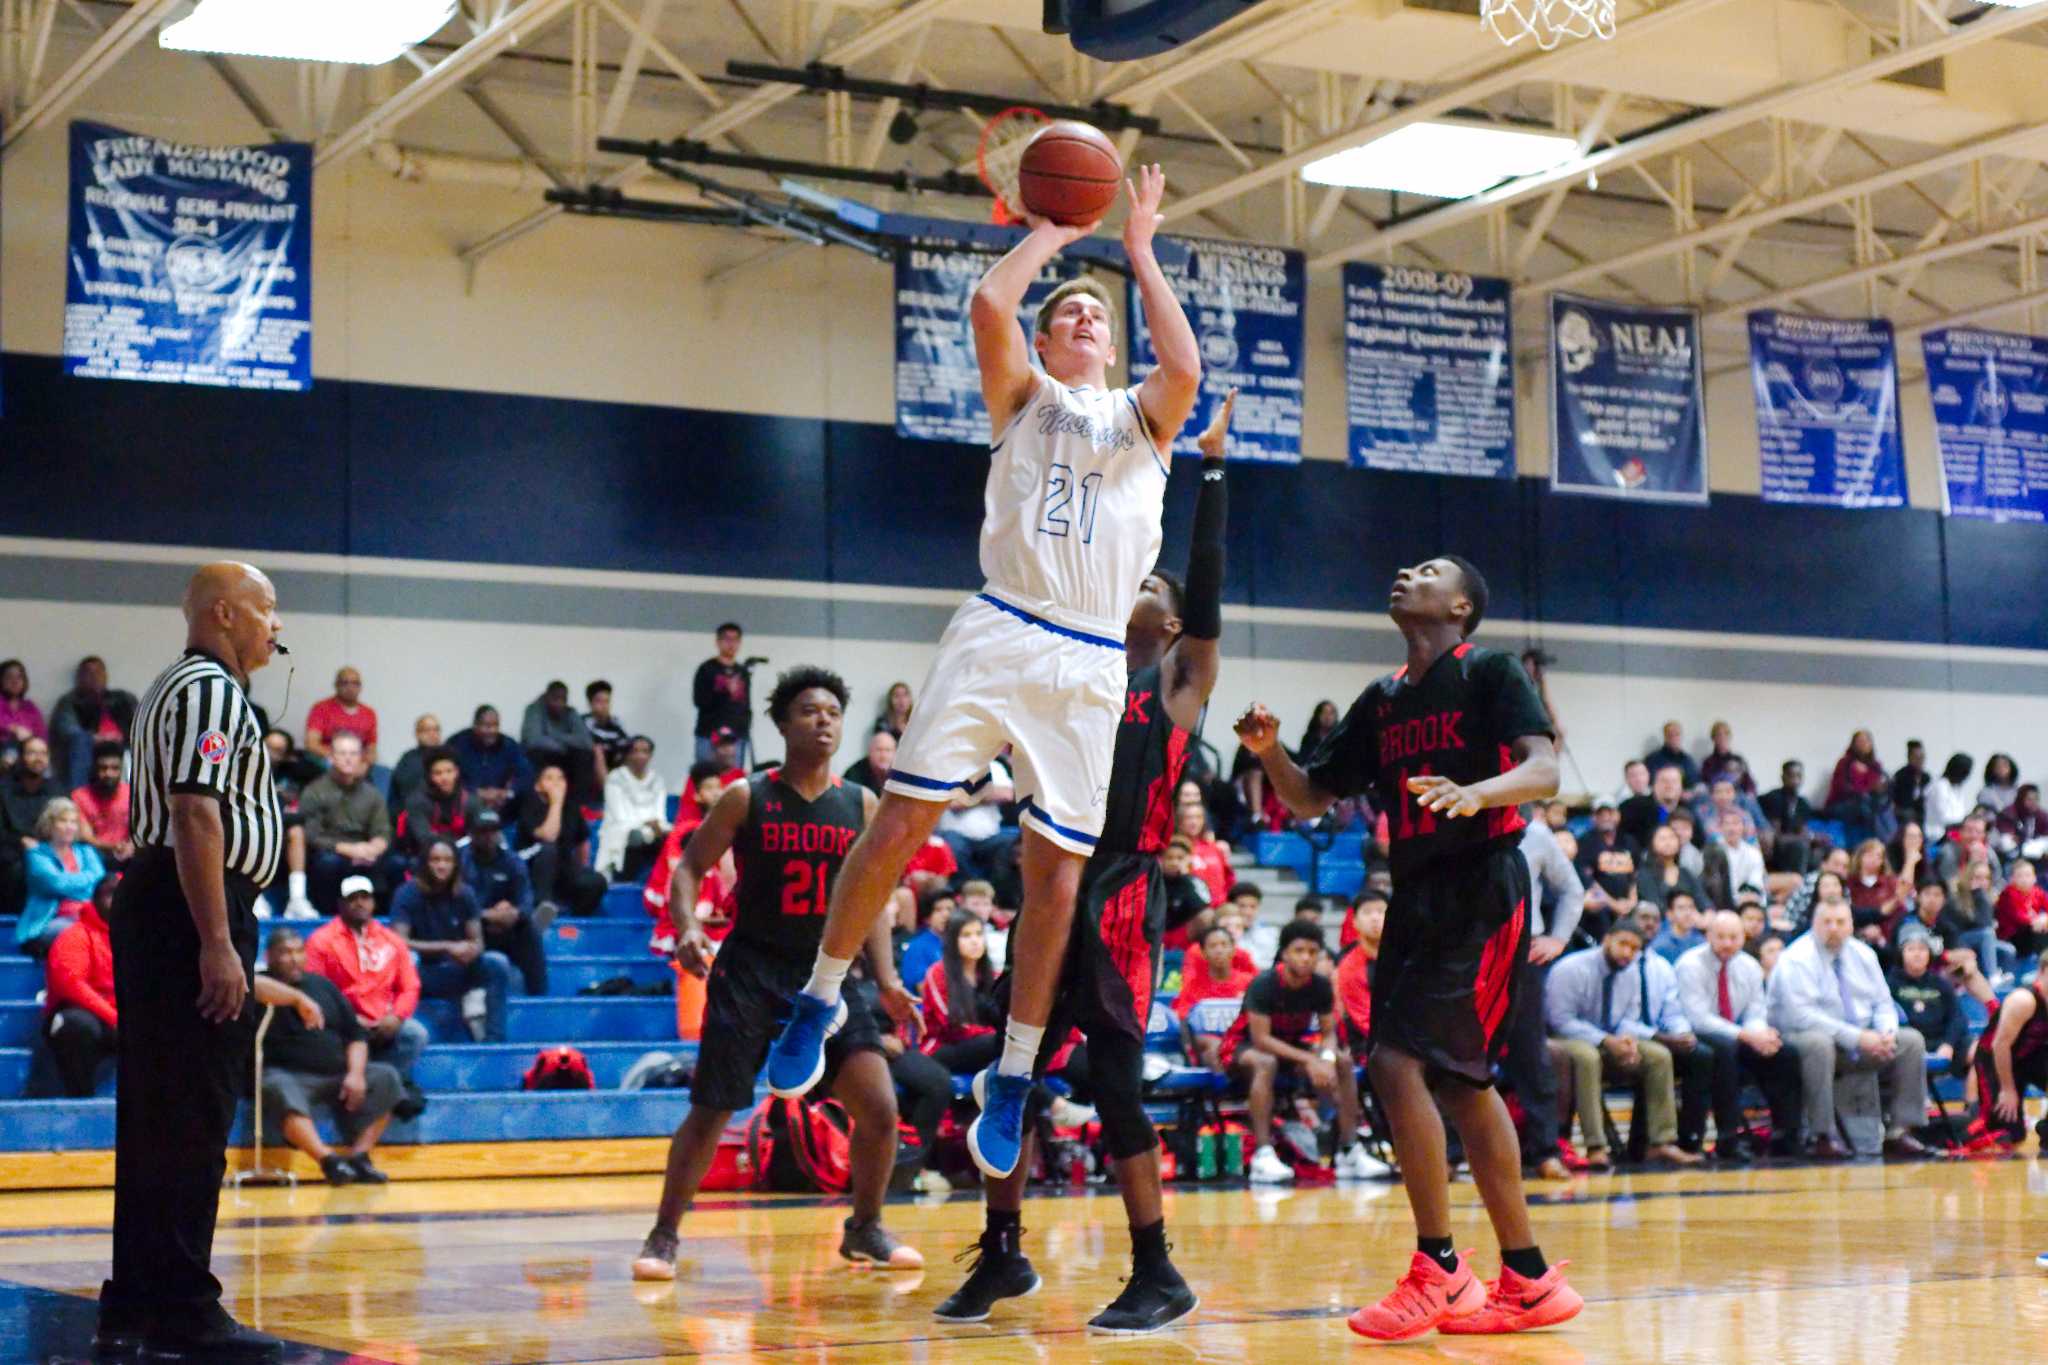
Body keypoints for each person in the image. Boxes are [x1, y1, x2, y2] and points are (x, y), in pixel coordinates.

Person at [765, 166, 1202, 1184]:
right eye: (1070, 314)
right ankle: (820, 995)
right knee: (896, 825)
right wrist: (1053, 231)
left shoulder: (1144, 421)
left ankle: (1010, 1073)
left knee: (1053, 878)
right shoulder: (1021, 397)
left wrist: (1136, 248)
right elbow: (986, 301)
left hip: (1091, 657)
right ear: (1049, 344)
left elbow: (1180, 363)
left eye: (1098, 313)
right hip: (1000, 629)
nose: (1085, 316)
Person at [1233, 554, 1580, 1339]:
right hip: (1417, 897)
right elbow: (1311, 795)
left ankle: (1441, 1269)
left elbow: (1546, 767)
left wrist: (1477, 794)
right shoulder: (1383, 700)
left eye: (1425, 570)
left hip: (1484, 884)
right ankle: (1525, 1278)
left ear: (1459, 604)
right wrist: (1269, 754)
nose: (1401, 572)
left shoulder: (1488, 671)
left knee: (1394, 1063)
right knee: (1457, 1083)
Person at [938, 414, 1230, 1332]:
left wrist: (1210, 474)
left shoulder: (1174, 686)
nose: (1130, 585)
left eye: (1148, 582)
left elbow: (1211, 599)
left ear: (1173, 623)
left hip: (1121, 894)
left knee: (1114, 1081)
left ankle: (1157, 1270)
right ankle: (1002, 1253)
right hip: (1052, 885)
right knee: (1004, 1075)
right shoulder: (1075, 670)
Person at [629, 665, 922, 1276]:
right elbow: (688, 869)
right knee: (713, 1107)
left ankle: (864, 1227)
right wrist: (685, 927)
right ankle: (663, 1236)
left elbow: (870, 900)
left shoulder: (861, 803)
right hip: (752, 969)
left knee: (879, 1107)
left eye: (833, 714)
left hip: (830, 973)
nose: (824, 721)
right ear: (783, 724)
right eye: (810, 712)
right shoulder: (747, 795)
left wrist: (889, 980)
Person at [98, 562, 286, 1360]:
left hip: (162, 899)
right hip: (190, 905)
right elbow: (195, 812)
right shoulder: (209, 689)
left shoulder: (171, 685)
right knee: (193, 1106)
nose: (277, 627)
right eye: (267, 609)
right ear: (225, 611)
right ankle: (182, 1302)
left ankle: (136, 1297)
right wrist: (216, 938)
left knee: (156, 1106)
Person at [1765, 898, 1932, 1159]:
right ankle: (1822, 1135)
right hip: (1800, 1042)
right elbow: (1802, 1016)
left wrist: (1886, 1033)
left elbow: (1883, 1003)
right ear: (1814, 925)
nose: (1834, 928)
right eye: (1827, 922)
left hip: (1861, 1041)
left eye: (1841, 922)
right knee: (1817, 1043)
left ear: (1851, 924)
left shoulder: (1863, 954)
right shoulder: (1795, 959)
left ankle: (1899, 1131)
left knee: (1910, 1041)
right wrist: (1857, 1038)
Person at [1212, 921, 1372, 1188]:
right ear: (1285, 954)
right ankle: (1263, 1155)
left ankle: (1349, 1151)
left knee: (1343, 1060)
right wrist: (1311, 1060)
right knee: (1266, 1062)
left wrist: (1327, 1060)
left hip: (1289, 1048)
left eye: (1313, 951)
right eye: (1299, 950)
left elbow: (1329, 1034)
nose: (1306, 957)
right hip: (1242, 1048)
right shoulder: (1264, 984)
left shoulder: (1320, 986)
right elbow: (1261, 1040)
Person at [1546, 922, 1705, 1169]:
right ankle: (1595, 1146)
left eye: (1634, 948)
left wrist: (1628, 1042)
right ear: (1607, 939)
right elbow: (1560, 1020)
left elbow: (1627, 1018)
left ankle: (1660, 1142)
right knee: (1588, 1058)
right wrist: (1606, 1040)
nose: (1628, 952)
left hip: (1609, 1038)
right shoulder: (1571, 969)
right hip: (1566, 1039)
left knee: (1658, 1055)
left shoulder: (1630, 971)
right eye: (1623, 944)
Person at [253, 928, 403, 1185]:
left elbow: (356, 1036)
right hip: (290, 1075)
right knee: (277, 1086)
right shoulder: (261, 984)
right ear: (269, 956)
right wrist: (296, 999)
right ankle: (328, 1161)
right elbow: (252, 983)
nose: (294, 958)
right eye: (285, 952)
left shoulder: (323, 985)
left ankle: (359, 1157)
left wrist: (355, 1075)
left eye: (299, 951)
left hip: (338, 1074)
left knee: (387, 1077)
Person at [1674, 911, 1803, 1160]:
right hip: (1696, 1037)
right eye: (1720, 937)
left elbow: (1756, 1011)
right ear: (1709, 936)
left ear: (1743, 938)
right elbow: (1697, 1018)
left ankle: (1786, 1136)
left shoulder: (1749, 966)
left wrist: (1761, 1034)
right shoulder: (1689, 964)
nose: (1727, 943)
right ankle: (1728, 1139)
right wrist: (1747, 1035)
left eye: (1733, 937)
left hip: (1737, 1035)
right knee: (1725, 1049)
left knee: (1785, 1052)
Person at [304, 876, 430, 1095]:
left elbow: (410, 986)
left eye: (365, 897)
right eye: (352, 898)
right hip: (342, 1023)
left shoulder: (392, 940)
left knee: (415, 1034)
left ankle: (385, 1088)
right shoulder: (321, 940)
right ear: (341, 904)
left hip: (383, 1021)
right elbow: (315, 989)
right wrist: (346, 1018)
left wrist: (397, 1016)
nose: (359, 903)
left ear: (373, 902)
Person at [1507, 812, 1582, 1178]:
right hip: (1468, 952)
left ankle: (1545, 1151)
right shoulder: (1460, 823)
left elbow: (1571, 888)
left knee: (1532, 1054)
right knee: (1462, 1055)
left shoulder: (1535, 834)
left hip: (1523, 951)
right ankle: (1455, 1152)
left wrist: (1559, 938)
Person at [391, 838, 515, 1042]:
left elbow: (478, 941)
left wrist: (471, 951)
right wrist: (447, 947)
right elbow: (398, 942)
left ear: (456, 864)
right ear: (425, 863)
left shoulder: (465, 894)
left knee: (497, 963)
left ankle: (494, 1040)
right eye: (435, 860)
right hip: (422, 972)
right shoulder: (407, 893)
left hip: (457, 969)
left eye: (447, 860)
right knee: (405, 962)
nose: (442, 865)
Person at [297, 732, 394, 915]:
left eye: (353, 754)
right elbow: (311, 835)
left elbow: (383, 831)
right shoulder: (315, 791)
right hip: (331, 852)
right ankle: (327, 917)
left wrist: (372, 848)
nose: (348, 759)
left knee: (395, 864)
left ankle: (382, 921)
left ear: (361, 758)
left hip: (365, 852)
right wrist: (350, 850)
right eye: (342, 753)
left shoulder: (372, 793)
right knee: (327, 863)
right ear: (331, 757)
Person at [43, 875, 119, 1097]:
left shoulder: (141, 939)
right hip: (86, 1015)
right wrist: (115, 1018)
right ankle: (79, 1098)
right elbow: (71, 985)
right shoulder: (75, 935)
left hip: (122, 1019)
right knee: (76, 1025)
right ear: (96, 899)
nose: (117, 900)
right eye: (111, 894)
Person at [461, 810, 551, 995]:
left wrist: (514, 914)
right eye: (483, 831)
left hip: (506, 928)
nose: (489, 837)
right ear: (471, 834)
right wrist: (488, 915)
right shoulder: (460, 862)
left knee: (529, 930)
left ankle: (539, 996)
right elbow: (456, 906)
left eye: (493, 831)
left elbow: (526, 903)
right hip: (472, 931)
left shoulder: (512, 861)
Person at [19, 798, 107, 958]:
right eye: (63, 821)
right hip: (49, 922)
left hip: (87, 917)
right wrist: (85, 885)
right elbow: (57, 884)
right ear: (50, 824)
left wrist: (70, 884)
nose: (69, 827)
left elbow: (100, 881)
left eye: (73, 822)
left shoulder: (86, 851)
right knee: (82, 931)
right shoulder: (37, 854)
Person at [516, 761, 607, 917]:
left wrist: (580, 870)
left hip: (562, 869)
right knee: (548, 849)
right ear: (538, 786)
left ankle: (576, 918)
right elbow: (549, 835)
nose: (556, 783)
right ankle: (542, 907)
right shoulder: (529, 805)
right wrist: (556, 803)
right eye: (549, 778)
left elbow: (582, 843)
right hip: (531, 868)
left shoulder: (572, 808)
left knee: (596, 881)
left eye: (560, 779)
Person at [1970, 970, 2048, 1147]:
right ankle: (1972, 1115)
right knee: (2008, 1135)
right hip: (1996, 1059)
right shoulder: (2024, 1000)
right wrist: (2007, 1089)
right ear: (2042, 973)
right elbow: (2000, 1045)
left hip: (2030, 1057)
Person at [1887, 924, 1973, 1079]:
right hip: (1908, 1044)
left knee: (1978, 1051)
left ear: (1929, 954)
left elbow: (1957, 1017)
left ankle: (1973, 1101)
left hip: (1941, 1042)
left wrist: (1948, 1044)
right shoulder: (1890, 984)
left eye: (1922, 949)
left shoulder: (1941, 983)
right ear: (1901, 953)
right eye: (1911, 949)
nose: (1917, 954)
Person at [49, 656, 138, 793]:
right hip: (89, 748)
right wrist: (94, 738)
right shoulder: (70, 701)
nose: (94, 677)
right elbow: (66, 728)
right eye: (88, 673)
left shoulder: (123, 698)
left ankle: (136, 800)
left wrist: (121, 737)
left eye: (98, 672)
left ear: (105, 675)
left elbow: (140, 726)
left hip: (122, 746)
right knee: (80, 742)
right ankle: (78, 797)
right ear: (79, 678)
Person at [936, 751, 1017, 884]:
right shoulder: (947, 768)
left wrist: (968, 798)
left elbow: (1007, 794)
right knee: (952, 845)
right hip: (953, 835)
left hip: (991, 836)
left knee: (1013, 841)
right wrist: (986, 794)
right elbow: (951, 804)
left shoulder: (994, 766)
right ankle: (964, 889)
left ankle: (999, 894)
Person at [597, 735, 669, 882]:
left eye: (645, 751)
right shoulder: (615, 778)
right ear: (628, 754)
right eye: (635, 751)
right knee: (635, 835)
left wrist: (656, 825)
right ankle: (624, 882)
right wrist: (646, 823)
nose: (640, 755)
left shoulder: (657, 780)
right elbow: (620, 815)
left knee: (673, 837)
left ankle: (661, 883)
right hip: (621, 828)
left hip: (651, 828)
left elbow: (659, 814)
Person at [521, 680, 603, 800]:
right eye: (555, 698)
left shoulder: (570, 712)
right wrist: (563, 745)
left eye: (563, 699)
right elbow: (533, 740)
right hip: (543, 755)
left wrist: (556, 736)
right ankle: (538, 801)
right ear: (546, 697)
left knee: (585, 755)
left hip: (564, 754)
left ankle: (579, 803)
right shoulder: (534, 710)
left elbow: (586, 742)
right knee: (536, 753)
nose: (559, 703)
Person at [448, 706, 532, 815]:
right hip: (467, 803)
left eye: (495, 725)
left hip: (501, 803)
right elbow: (447, 776)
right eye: (487, 726)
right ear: (475, 726)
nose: (492, 730)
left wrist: (508, 792)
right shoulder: (458, 743)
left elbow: (526, 774)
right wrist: (476, 792)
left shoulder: (509, 745)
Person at [399, 747, 481, 859]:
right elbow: (423, 838)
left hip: (463, 857)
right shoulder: (416, 802)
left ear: (456, 772)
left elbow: (479, 834)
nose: (445, 778)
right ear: (429, 776)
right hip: (425, 856)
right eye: (438, 773)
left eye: (449, 771)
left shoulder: (470, 801)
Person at [1825, 729, 1896, 839]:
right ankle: (1881, 842)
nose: (1863, 744)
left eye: (1866, 741)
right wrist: (1867, 788)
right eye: (1859, 741)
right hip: (1842, 804)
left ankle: (1892, 840)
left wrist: (1879, 789)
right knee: (1866, 803)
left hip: (1868, 803)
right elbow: (1843, 789)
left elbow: (1875, 790)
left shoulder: (1875, 765)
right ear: (1853, 744)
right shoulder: (1844, 763)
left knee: (1883, 805)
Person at [303, 667, 378, 764]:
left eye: (355, 683)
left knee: (384, 773)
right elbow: (311, 744)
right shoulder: (321, 708)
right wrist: (341, 759)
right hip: (328, 760)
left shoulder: (369, 713)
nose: (350, 688)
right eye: (345, 683)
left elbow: (371, 749)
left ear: (360, 687)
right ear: (336, 685)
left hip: (357, 762)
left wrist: (364, 764)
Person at [1759, 759, 1816, 874]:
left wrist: (1813, 837)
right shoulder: (1774, 798)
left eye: (1799, 776)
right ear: (1783, 777)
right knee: (1800, 846)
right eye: (1791, 776)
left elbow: (1802, 830)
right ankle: (1798, 886)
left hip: (1793, 844)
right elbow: (1776, 836)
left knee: (1819, 849)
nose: (1795, 780)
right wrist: (1803, 837)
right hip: (1773, 847)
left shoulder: (1802, 803)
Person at [1636, 825, 1706, 913]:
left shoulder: (1685, 873)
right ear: (1652, 845)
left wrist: (1708, 913)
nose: (1668, 842)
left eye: (1672, 837)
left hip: (1691, 921)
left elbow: (1702, 900)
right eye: (1662, 839)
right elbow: (1655, 906)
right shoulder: (1645, 875)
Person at [385, 713, 442, 814]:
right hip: (413, 813)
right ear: (417, 734)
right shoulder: (408, 759)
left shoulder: (448, 757)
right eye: (427, 730)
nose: (432, 734)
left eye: (436, 730)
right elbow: (405, 793)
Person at [1924, 752, 1974, 841]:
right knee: (1966, 840)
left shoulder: (1957, 788)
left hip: (1954, 831)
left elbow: (1961, 813)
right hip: (1938, 833)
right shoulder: (1940, 786)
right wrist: (1964, 823)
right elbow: (1943, 817)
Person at [583, 680, 631, 772]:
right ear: (590, 703)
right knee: (598, 751)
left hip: (614, 759)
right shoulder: (584, 721)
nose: (604, 705)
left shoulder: (616, 722)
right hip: (593, 763)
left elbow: (625, 742)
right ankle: (607, 786)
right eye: (599, 701)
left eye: (607, 701)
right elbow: (589, 744)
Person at [1643, 720, 1701, 794]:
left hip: (1686, 800)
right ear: (1665, 737)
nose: (1674, 738)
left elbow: (1694, 782)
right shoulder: (1652, 759)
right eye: (1670, 735)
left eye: (1677, 734)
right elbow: (1652, 784)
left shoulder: (1687, 759)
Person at [1650, 890, 1706, 964]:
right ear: (1669, 914)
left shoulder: (1701, 942)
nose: (1688, 913)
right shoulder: (1659, 946)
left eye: (1691, 907)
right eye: (1681, 908)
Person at [1698, 721, 1752, 794]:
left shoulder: (1738, 759)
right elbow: (1706, 785)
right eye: (1719, 735)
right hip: (1719, 798)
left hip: (1740, 796)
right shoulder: (1708, 762)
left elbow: (1748, 781)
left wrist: (1750, 793)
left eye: (1726, 734)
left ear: (1729, 737)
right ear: (1713, 738)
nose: (1723, 737)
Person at [0, 658, 46, 744]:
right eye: (9, 677)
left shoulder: (30, 707)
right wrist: (13, 729)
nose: (15, 681)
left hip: (26, 751)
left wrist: (30, 737)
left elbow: (41, 735)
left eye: (19, 677)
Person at [1891, 739, 1930, 831]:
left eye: (1922, 757)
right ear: (1909, 757)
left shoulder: (1926, 777)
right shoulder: (1900, 776)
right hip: (1904, 815)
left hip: (1922, 816)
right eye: (1916, 757)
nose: (1920, 761)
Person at [843, 729, 895, 796]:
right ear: (870, 752)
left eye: (888, 750)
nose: (883, 755)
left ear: (895, 753)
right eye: (879, 750)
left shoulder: (901, 772)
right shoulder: (854, 772)